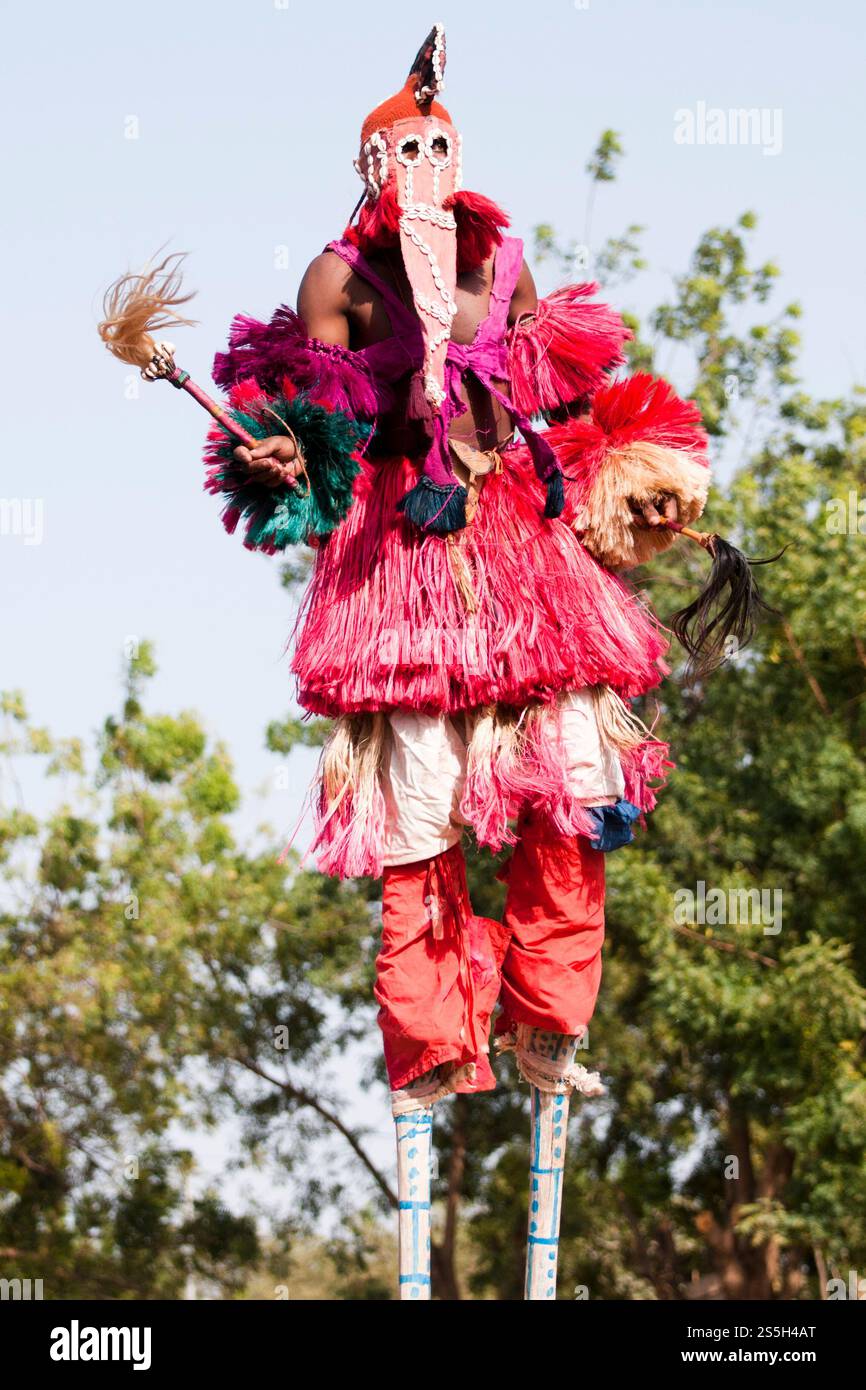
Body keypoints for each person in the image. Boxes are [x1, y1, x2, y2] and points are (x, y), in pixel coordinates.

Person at [202, 24, 710, 1298]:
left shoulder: (504, 261)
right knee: (418, 823)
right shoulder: (340, 276)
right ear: (374, 165)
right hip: (402, 587)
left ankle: (546, 1024)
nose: (427, 165)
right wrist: (283, 450)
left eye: (442, 146)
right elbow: (309, 427)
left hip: (525, 572)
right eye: (406, 149)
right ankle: (433, 1045)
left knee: (565, 795)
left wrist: (635, 485)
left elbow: (570, 413)